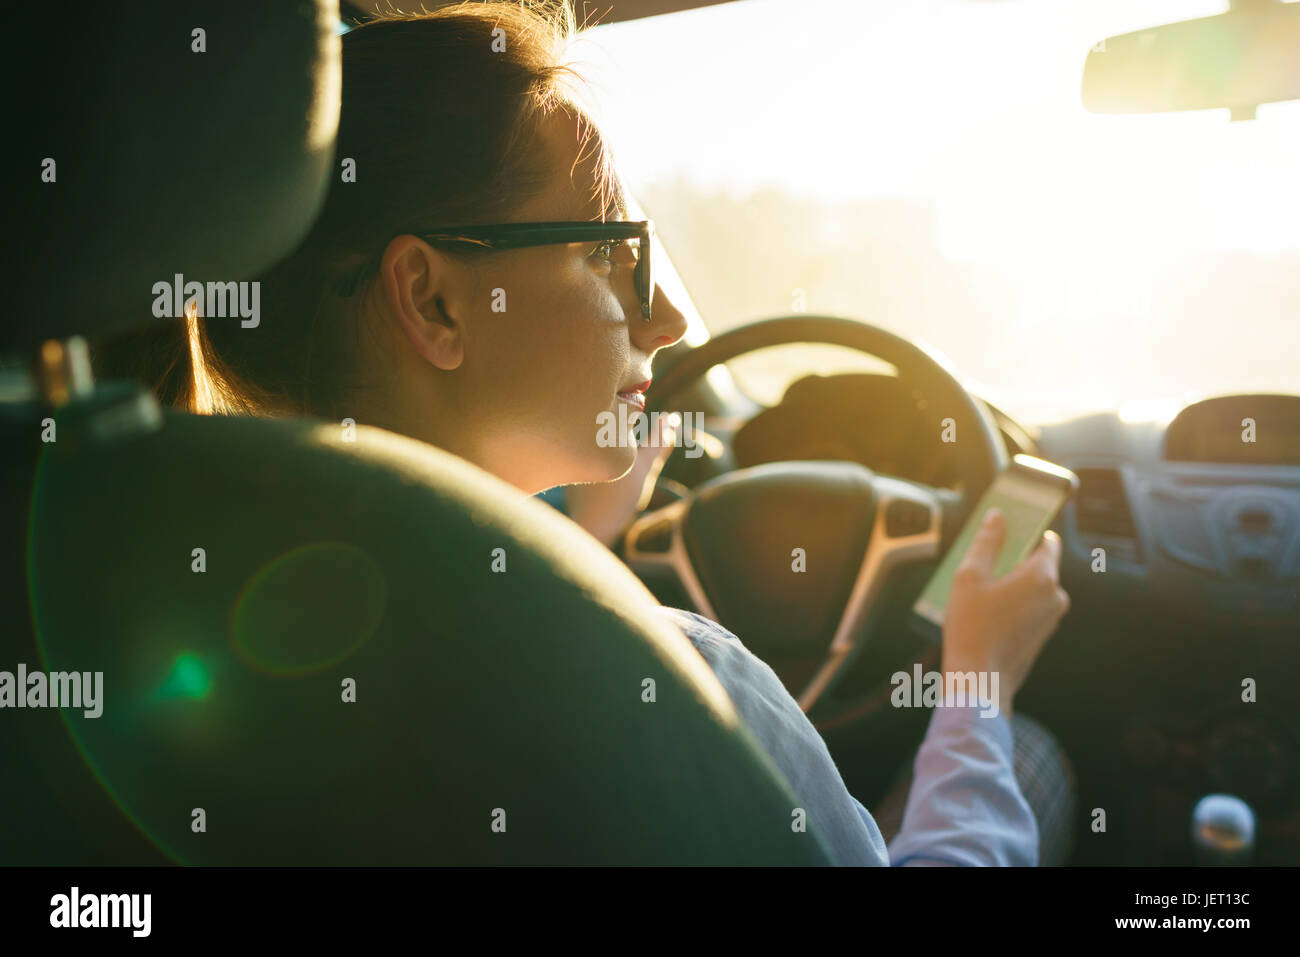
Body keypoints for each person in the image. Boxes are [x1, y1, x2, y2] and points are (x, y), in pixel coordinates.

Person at [95, 0, 1072, 865]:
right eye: (610, 250)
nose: (668, 322)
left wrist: (584, 543)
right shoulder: (685, 684)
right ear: (431, 301)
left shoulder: (153, 619)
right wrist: (976, 686)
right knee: (1027, 760)